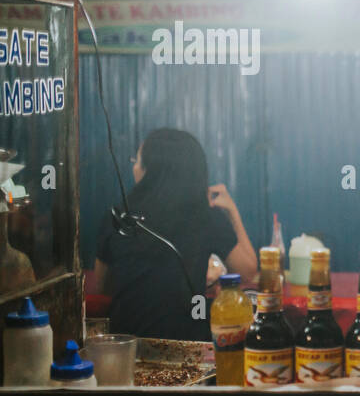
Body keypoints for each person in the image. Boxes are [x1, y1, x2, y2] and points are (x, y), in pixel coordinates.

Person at [94, 129, 257, 341]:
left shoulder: (117, 217)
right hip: (187, 348)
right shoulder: (205, 217)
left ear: (150, 171)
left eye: (137, 161)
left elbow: (103, 286)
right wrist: (232, 212)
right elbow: (248, 271)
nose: (134, 167)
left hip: (126, 349)